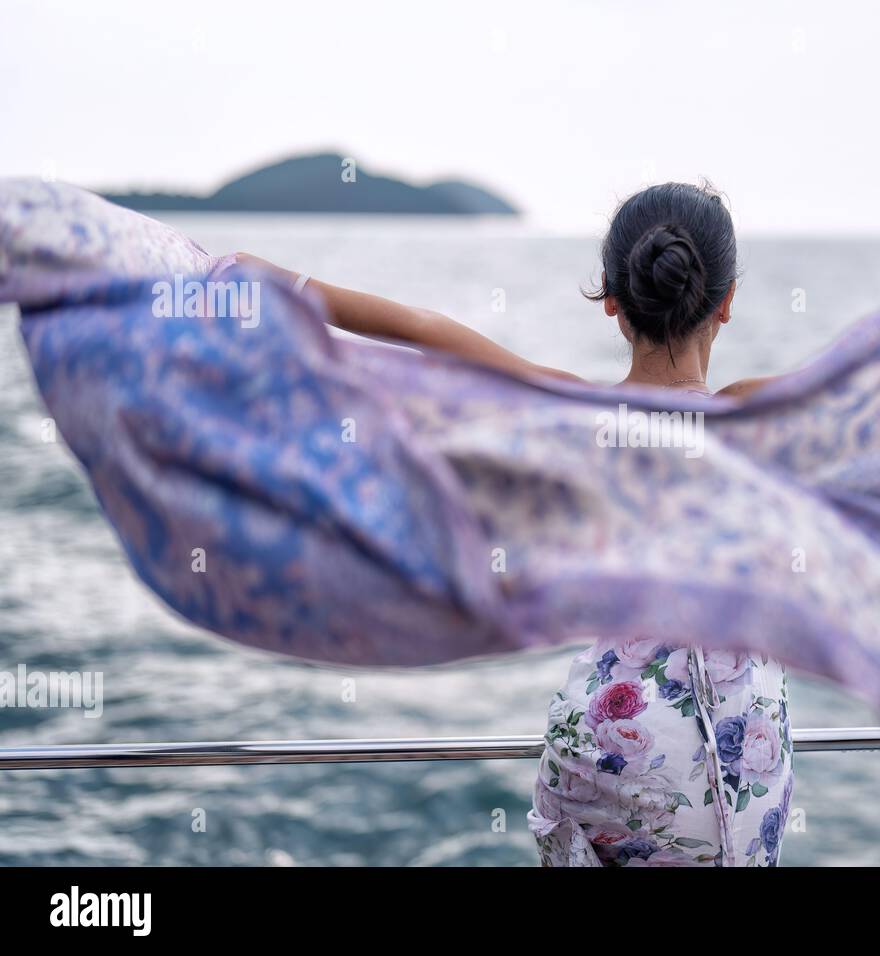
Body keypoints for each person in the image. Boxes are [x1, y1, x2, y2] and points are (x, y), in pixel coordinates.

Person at [237, 182, 793, 867]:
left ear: (613, 301)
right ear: (728, 301)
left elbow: (424, 330)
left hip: (606, 739)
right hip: (733, 745)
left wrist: (279, 283)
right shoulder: (754, 419)